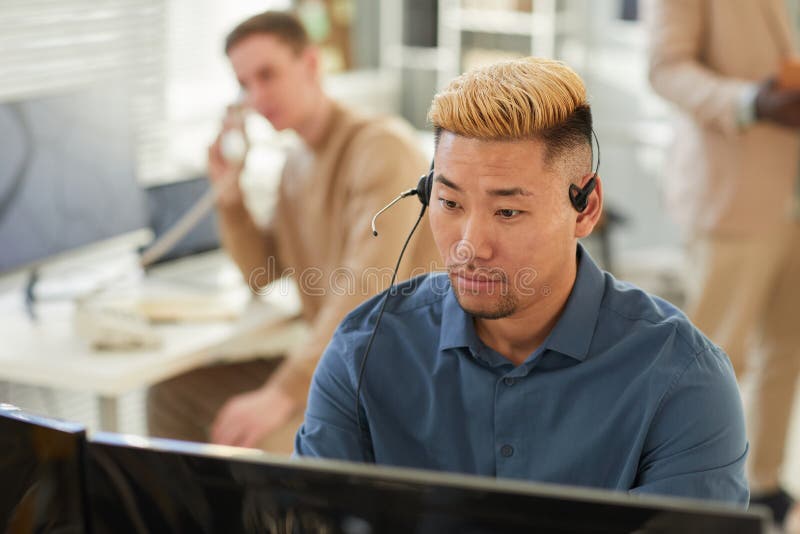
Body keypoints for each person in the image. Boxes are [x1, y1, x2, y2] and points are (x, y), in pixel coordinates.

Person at [294, 57, 749, 505]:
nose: (470, 246)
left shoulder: (684, 380)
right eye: (450, 204)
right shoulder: (363, 352)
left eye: (508, 212)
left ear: (586, 208)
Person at [146, 10, 439, 453]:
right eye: (245, 84)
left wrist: (283, 393)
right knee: (173, 393)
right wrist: (230, 197)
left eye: (268, 74)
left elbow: (366, 293)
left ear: (311, 65)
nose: (257, 96)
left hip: (392, 373)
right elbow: (263, 274)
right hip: (339, 362)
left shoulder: (381, 148)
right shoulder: (294, 164)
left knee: (266, 435)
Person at [643, 0, 800, 523]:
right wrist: (751, 103)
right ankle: (693, 501)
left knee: (786, 353)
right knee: (715, 358)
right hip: (734, 191)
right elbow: (665, 67)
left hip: (794, 195)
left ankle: (764, 486)